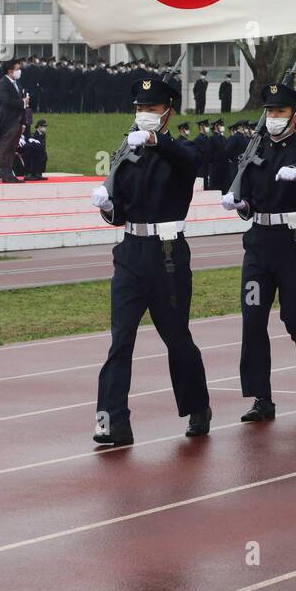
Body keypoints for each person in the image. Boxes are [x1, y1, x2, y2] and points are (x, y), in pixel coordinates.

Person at [88, 78, 213, 447]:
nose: (145, 115)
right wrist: (108, 207)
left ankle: (197, 405)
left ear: (168, 112)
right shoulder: (126, 154)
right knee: (120, 341)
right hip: (130, 253)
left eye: (153, 109)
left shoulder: (180, 151)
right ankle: (112, 421)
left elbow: (190, 161)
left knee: (176, 337)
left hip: (168, 254)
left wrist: (158, 141)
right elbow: (121, 210)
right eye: (140, 109)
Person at [220, 82, 296, 421]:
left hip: (293, 241)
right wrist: (241, 203)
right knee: (253, 319)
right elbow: (250, 199)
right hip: (258, 242)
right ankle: (261, 397)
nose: (273, 117)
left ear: (295, 116)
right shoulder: (256, 149)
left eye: (280, 112)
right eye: (269, 111)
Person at [0, 60, 28, 183]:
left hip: (17, 121)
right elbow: (6, 101)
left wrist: (23, 122)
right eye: (17, 69)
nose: (20, 71)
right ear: (10, 71)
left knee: (12, 148)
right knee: (5, 147)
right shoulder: (2, 83)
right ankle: (3, 173)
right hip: (7, 121)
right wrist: (22, 102)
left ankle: (9, 173)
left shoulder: (17, 84)